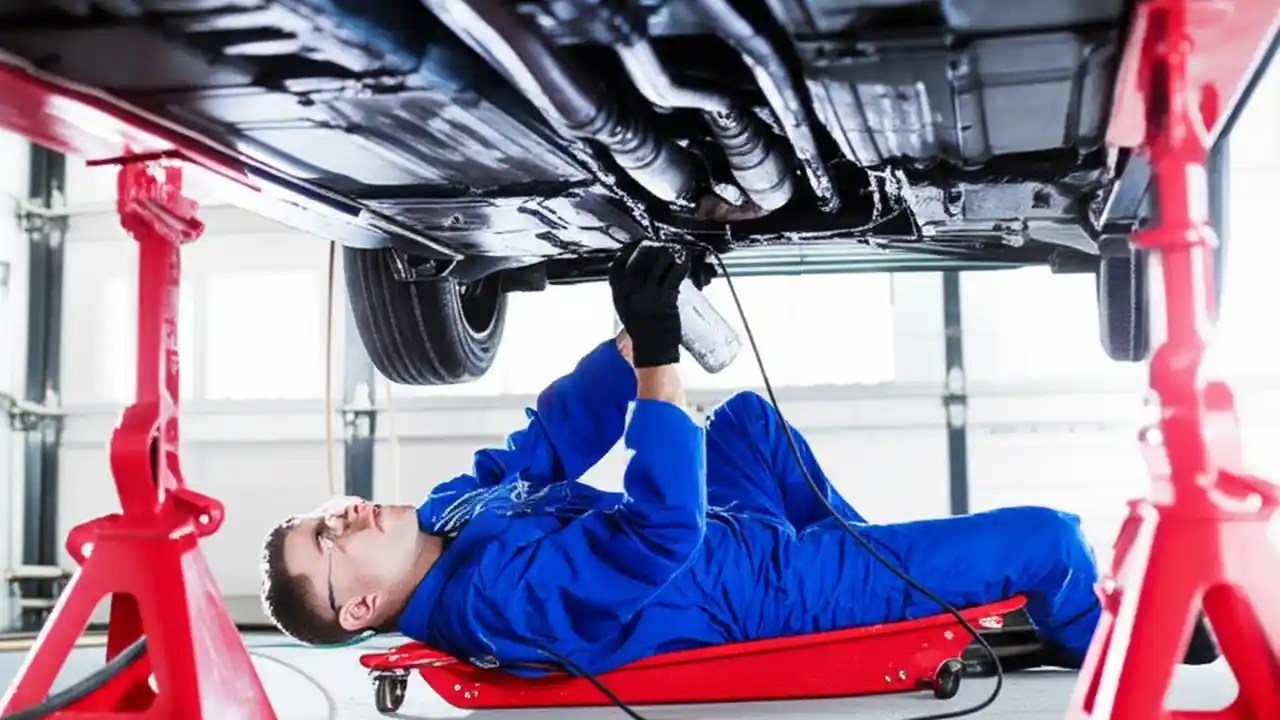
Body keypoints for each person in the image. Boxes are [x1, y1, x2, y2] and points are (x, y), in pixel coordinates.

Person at [258, 243, 1208, 677]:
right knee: (1050, 539)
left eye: (324, 509)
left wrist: (638, 332)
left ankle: (886, 577)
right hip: (762, 591)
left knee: (747, 423)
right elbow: (659, 532)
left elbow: (547, 443)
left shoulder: (445, 515)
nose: (343, 514)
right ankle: (1106, 646)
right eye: (326, 540)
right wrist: (659, 358)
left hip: (733, 535)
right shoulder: (496, 603)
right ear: (359, 608)